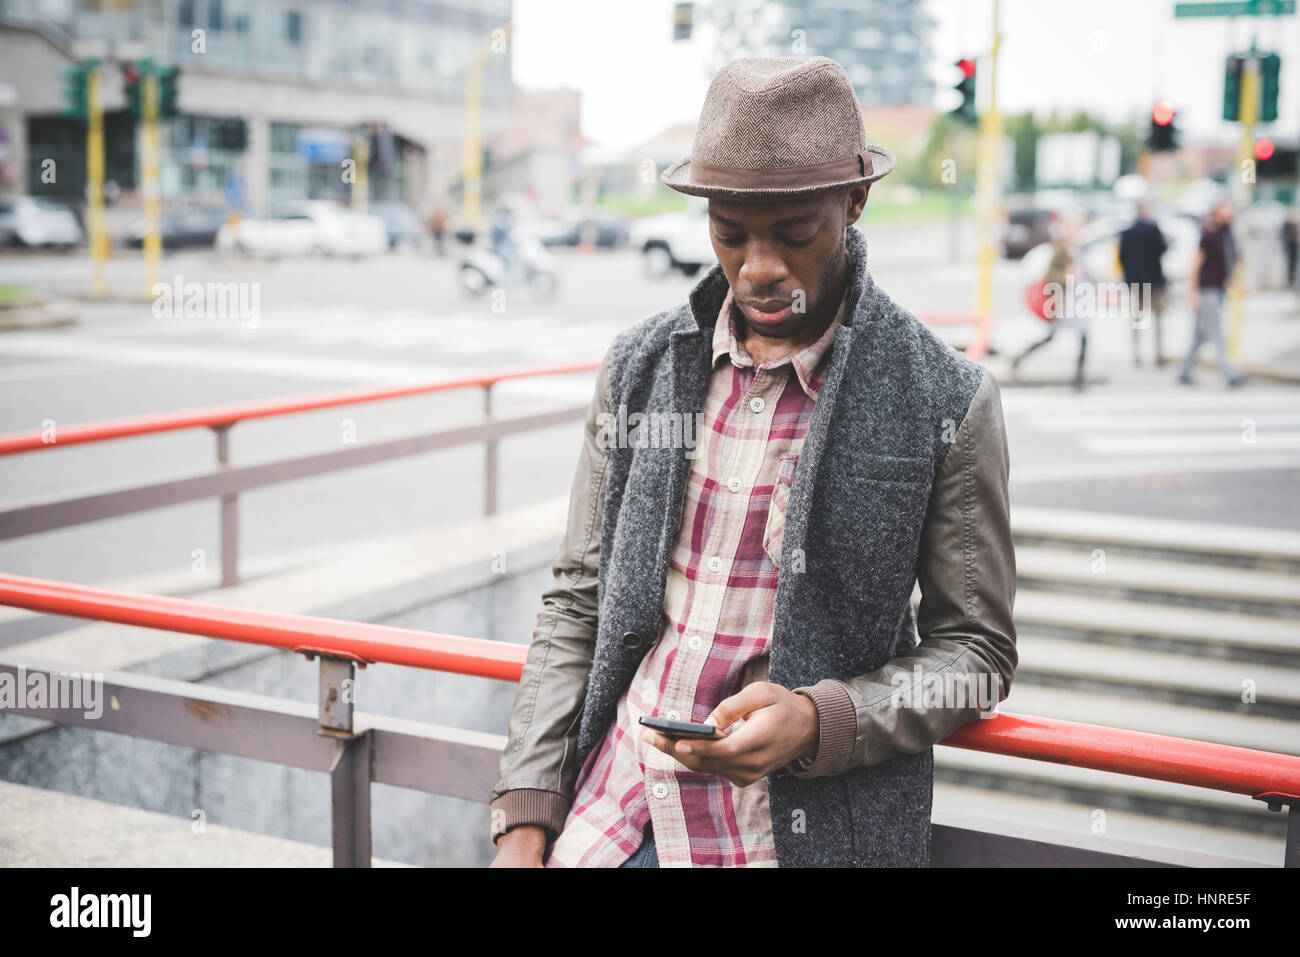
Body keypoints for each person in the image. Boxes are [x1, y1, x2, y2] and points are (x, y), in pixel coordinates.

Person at [488, 56, 1017, 868]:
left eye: (795, 234)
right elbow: (577, 600)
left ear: (855, 201)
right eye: (729, 235)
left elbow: (975, 653)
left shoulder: (946, 398)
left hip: (792, 841)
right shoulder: (641, 368)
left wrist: (821, 719)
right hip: (613, 818)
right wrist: (526, 814)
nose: (758, 267)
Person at [1010, 212, 1090, 390]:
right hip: (1064, 301)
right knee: (1051, 336)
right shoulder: (1061, 250)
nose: (1077, 232)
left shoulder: (1080, 249)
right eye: (1075, 228)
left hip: (1078, 301)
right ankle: (1019, 357)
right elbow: (1051, 275)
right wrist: (1066, 275)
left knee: (1084, 337)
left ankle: (1079, 378)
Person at [1178, 199, 1245, 388]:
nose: (1230, 216)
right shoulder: (1208, 235)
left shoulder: (1225, 235)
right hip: (1207, 292)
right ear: (1216, 213)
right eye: (1226, 212)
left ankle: (1185, 371)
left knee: (1198, 336)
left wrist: (1236, 282)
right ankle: (1230, 373)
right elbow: (1195, 266)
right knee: (1216, 335)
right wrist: (1193, 292)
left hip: (1218, 290)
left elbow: (1226, 266)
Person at [1118, 201, 1168, 366]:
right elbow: (1163, 249)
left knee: (1137, 320)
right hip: (1154, 282)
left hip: (1136, 282)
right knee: (1158, 320)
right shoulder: (1153, 231)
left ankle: (1137, 354)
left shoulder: (1127, 233)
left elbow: (1122, 258)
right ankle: (1158, 354)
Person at [1283, 209, 1298, 290]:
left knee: (1293, 264)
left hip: (1294, 247)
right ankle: (1290, 280)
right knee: (1290, 264)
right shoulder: (1287, 225)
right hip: (1290, 246)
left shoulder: (1294, 225)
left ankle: (1292, 279)